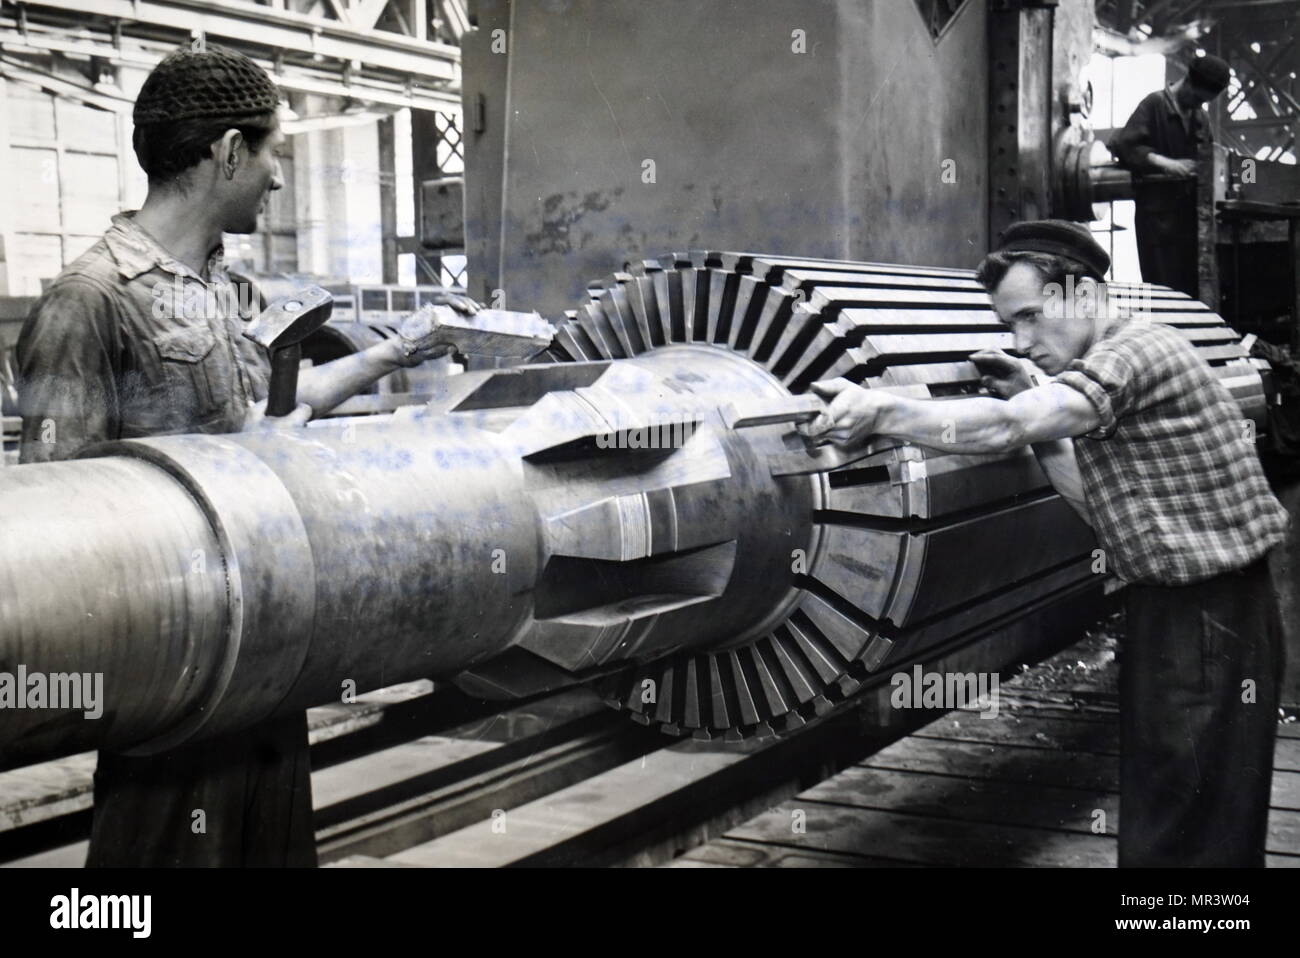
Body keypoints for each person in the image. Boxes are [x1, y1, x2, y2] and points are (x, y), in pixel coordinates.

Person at [16, 45, 458, 866]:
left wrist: (398, 349)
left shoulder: (217, 290)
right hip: (173, 678)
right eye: (270, 150)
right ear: (226, 152)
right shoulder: (90, 303)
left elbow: (262, 417)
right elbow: (56, 542)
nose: (278, 176)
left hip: (265, 652)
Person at [805, 219, 1290, 867]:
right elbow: (1103, 509)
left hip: (1203, 619)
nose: (1022, 341)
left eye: (1031, 316)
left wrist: (883, 411)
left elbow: (1006, 424)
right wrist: (1040, 423)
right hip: (1198, 613)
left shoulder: (1134, 352)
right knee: (1193, 816)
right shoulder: (1121, 365)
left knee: (1181, 825)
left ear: (1084, 295)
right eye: (1011, 325)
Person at [1108, 54, 1232, 299]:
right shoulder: (1154, 105)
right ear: (1187, 81)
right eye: (1196, 98)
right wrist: (1168, 165)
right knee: (1163, 288)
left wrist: (1245, 173)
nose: (1197, 105)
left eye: (1203, 103)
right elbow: (1125, 145)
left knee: (1191, 288)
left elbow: (1212, 159)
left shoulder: (1200, 117)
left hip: (1189, 219)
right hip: (1158, 219)